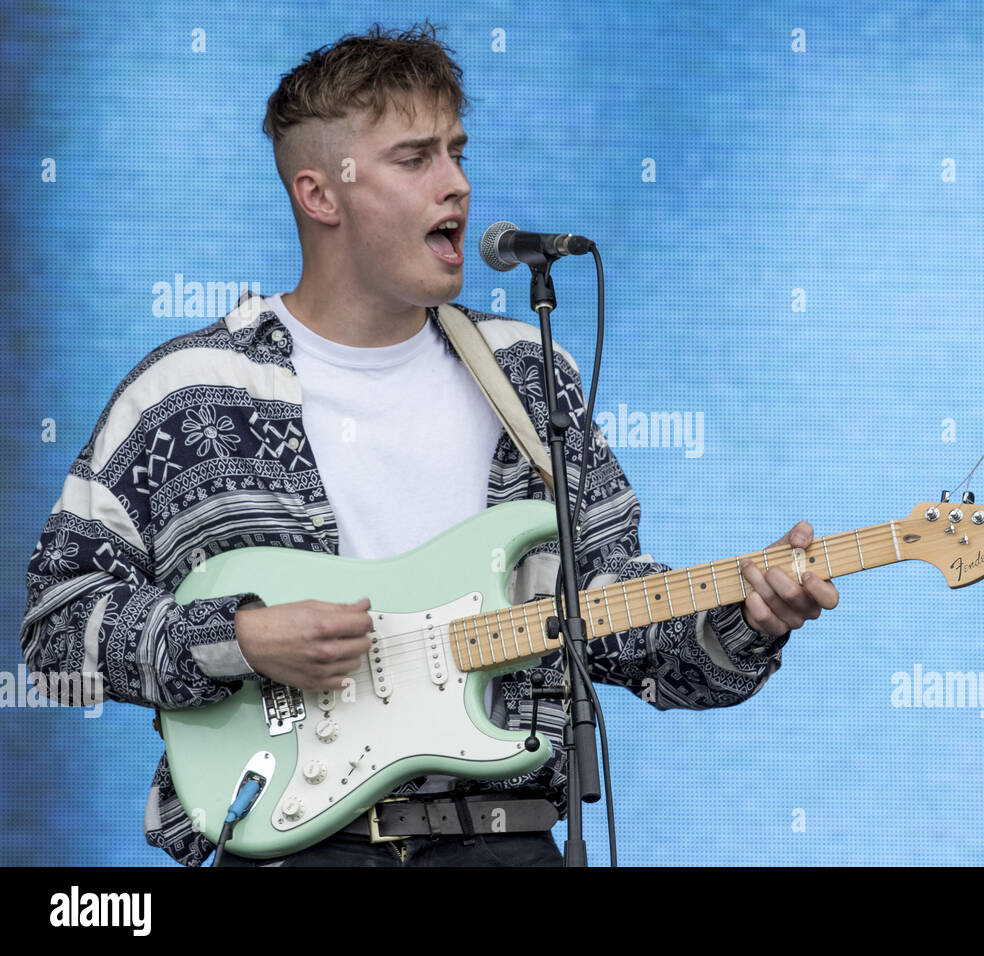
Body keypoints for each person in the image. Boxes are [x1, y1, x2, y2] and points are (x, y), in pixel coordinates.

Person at [19, 21, 839, 867]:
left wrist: (747, 619)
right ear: (320, 195)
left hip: (503, 843)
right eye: (415, 160)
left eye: (457, 151)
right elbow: (55, 633)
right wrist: (244, 639)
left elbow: (615, 623)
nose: (457, 184)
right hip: (292, 848)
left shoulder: (525, 373)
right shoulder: (187, 394)